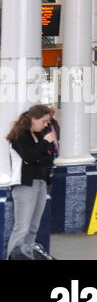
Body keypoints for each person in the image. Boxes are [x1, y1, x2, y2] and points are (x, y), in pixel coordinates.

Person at [7, 104, 57, 260]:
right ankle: (13, 257)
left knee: (33, 227)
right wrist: (44, 144)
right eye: (44, 121)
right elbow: (30, 157)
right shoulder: (19, 136)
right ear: (33, 119)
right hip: (24, 184)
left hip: (41, 182)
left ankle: (26, 256)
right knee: (22, 227)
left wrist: (39, 153)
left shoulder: (38, 135)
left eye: (48, 122)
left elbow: (47, 159)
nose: (46, 124)